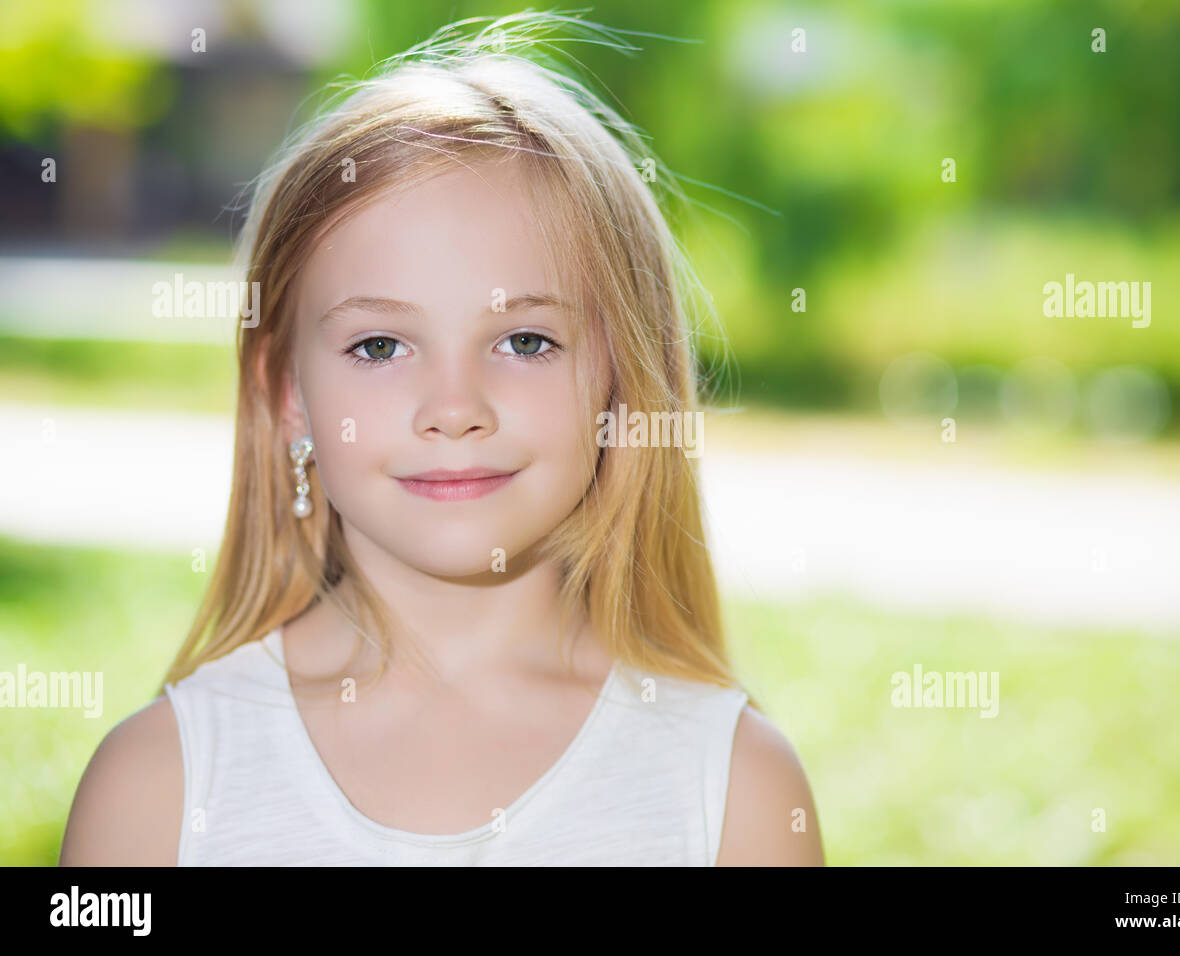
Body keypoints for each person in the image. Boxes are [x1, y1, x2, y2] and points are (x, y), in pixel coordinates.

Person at [59, 11, 823, 866]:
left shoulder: (733, 789)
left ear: (621, 383)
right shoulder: (155, 789)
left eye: (525, 341)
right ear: (287, 394)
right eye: (379, 346)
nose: (454, 408)